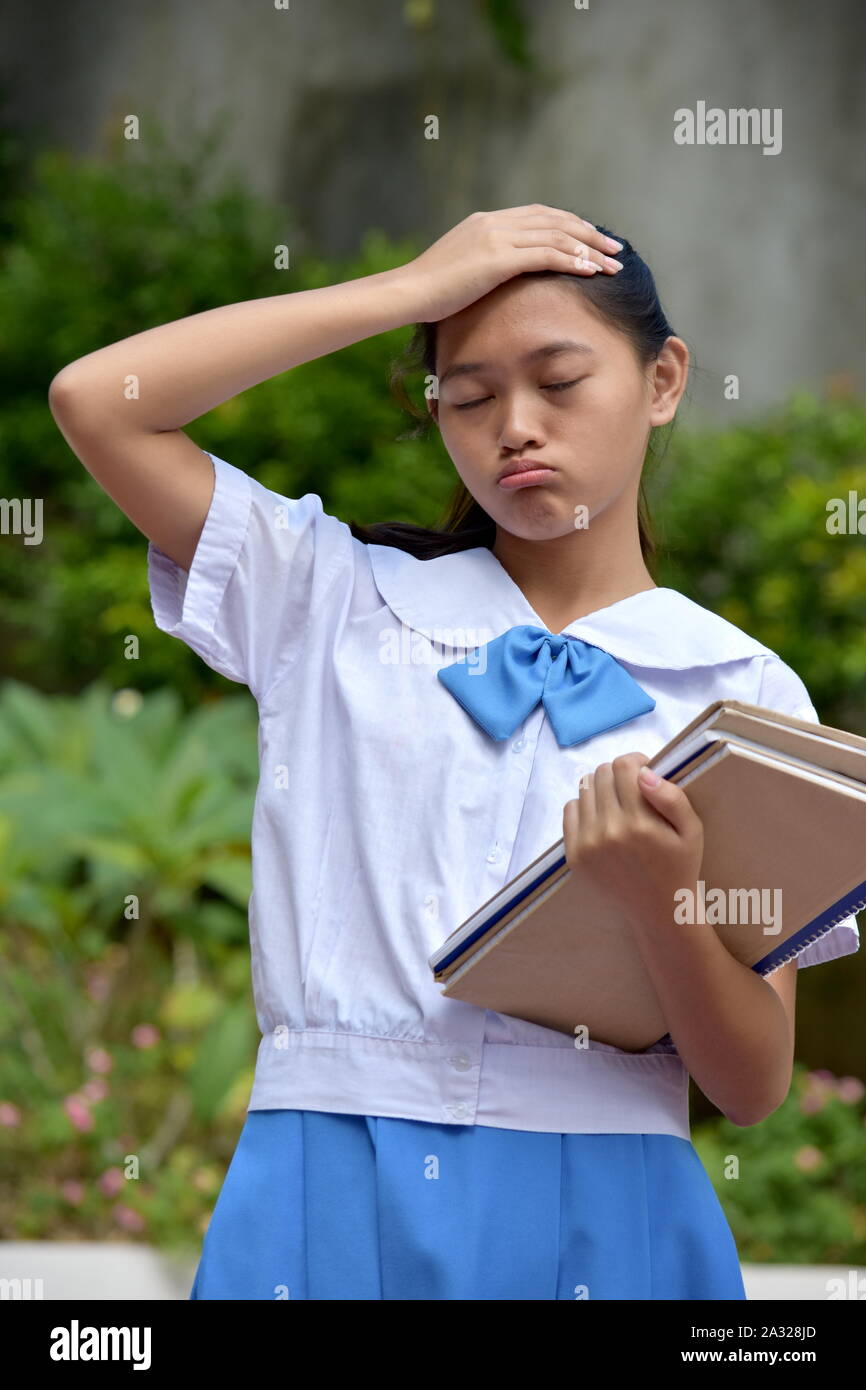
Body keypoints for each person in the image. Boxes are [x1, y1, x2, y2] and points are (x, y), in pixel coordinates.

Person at [48, 204, 860, 1301]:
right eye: (467, 396)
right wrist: (406, 291)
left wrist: (660, 896)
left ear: (663, 380)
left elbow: (753, 1082)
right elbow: (100, 403)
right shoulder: (328, 599)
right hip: (329, 1182)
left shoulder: (740, 692)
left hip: (610, 1209)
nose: (513, 426)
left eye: (558, 382)